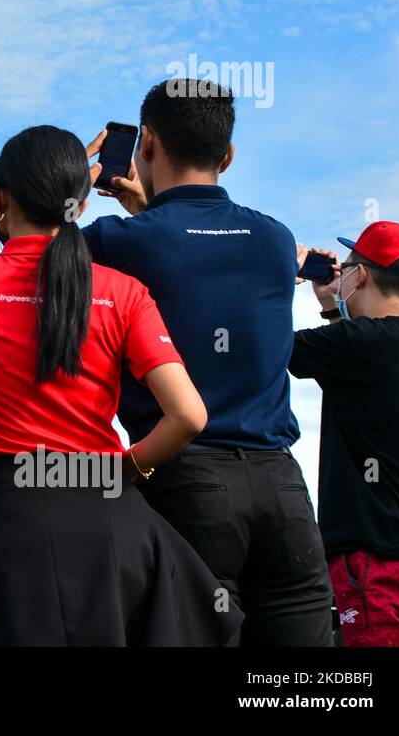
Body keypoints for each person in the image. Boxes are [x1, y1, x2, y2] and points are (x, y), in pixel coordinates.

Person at [0, 125, 240, 646]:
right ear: (82, 207)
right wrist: (131, 469)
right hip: (111, 516)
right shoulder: (123, 292)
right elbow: (189, 416)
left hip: (10, 518)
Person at [81, 79, 334, 646]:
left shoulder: (122, 241)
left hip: (184, 483)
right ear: (228, 155)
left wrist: (78, 176)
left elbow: (34, 256)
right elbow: (202, 251)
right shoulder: (273, 239)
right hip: (283, 491)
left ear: (145, 143)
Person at [290, 223, 399, 646]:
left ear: (360, 275)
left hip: (378, 561)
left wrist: (276, 273)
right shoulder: (389, 346)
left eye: (346, 268)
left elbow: (263, 344)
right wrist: (331, 307)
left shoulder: (359, 343)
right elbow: (361, 389)